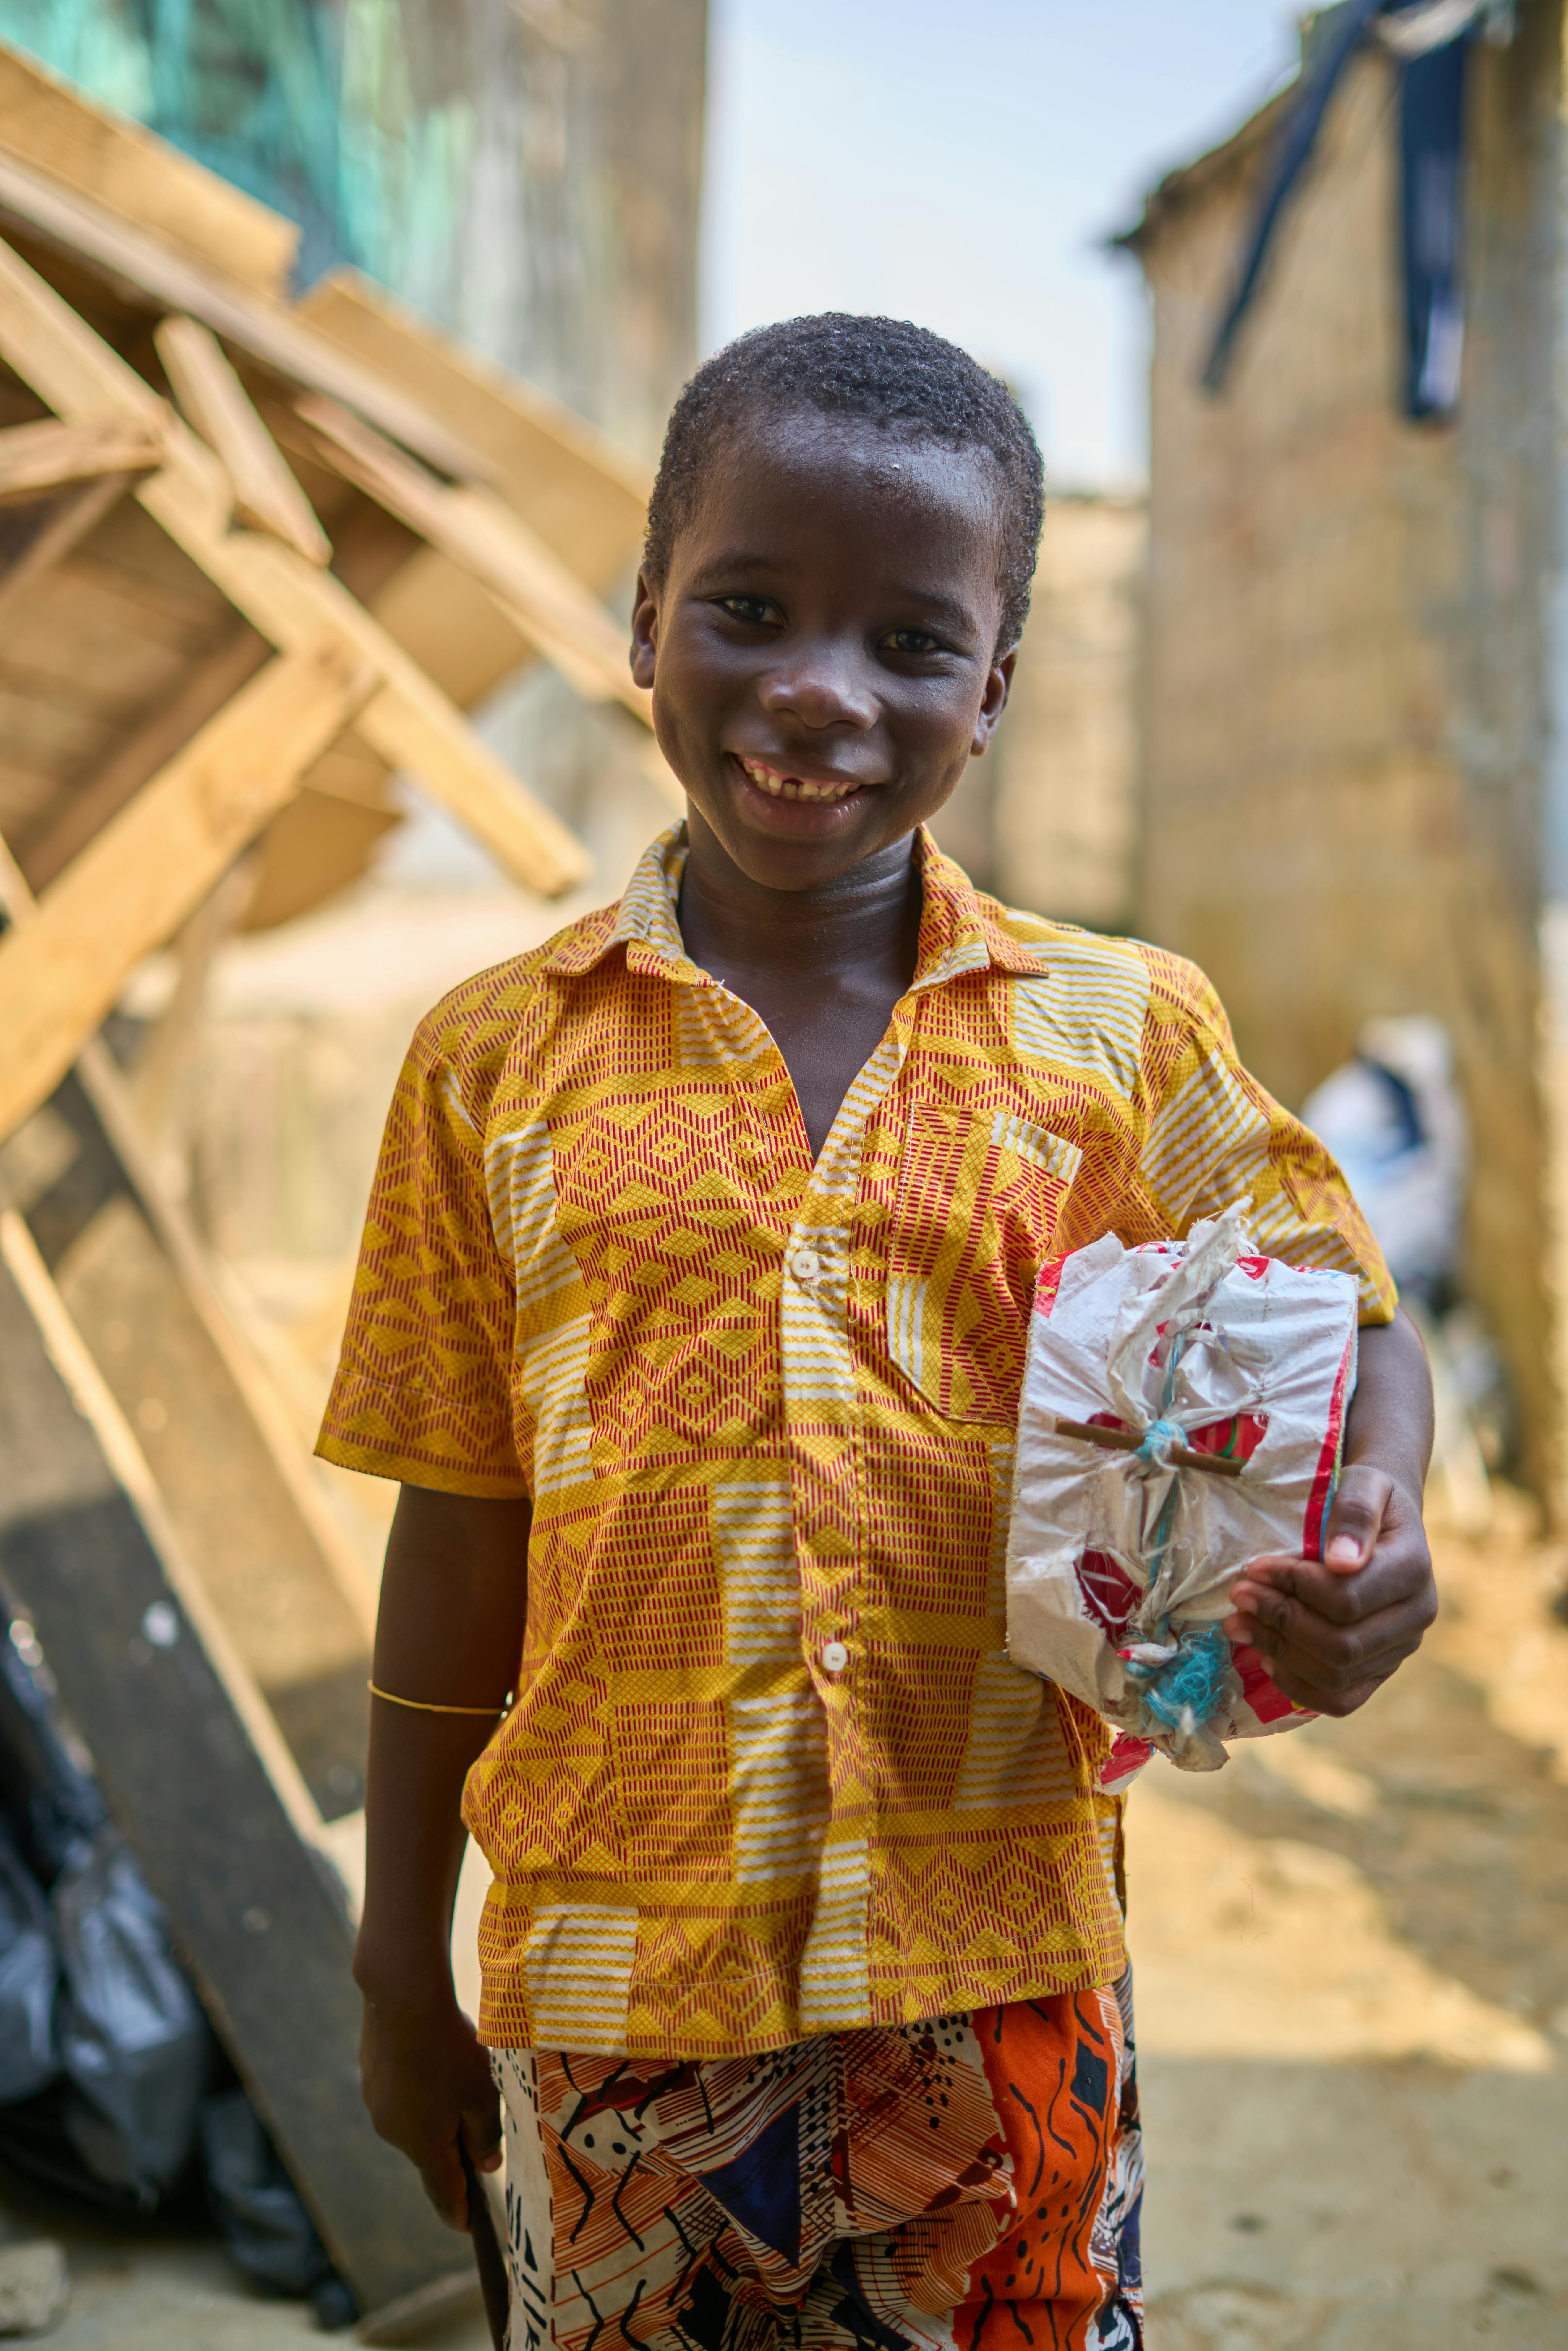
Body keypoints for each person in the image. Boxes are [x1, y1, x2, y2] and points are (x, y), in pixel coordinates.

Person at [318, 314, 1436, 2351]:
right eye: (748, 608)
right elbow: (459, 1530)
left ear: (992, 692)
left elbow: (1343, 1307)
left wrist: (1378, 1510)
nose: (818, 694)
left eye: (912, 645)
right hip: (606, 2004)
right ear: (647, 616)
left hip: (997, 1988)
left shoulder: (1116, 1035)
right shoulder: (491, 1064)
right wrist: (405, 1964)